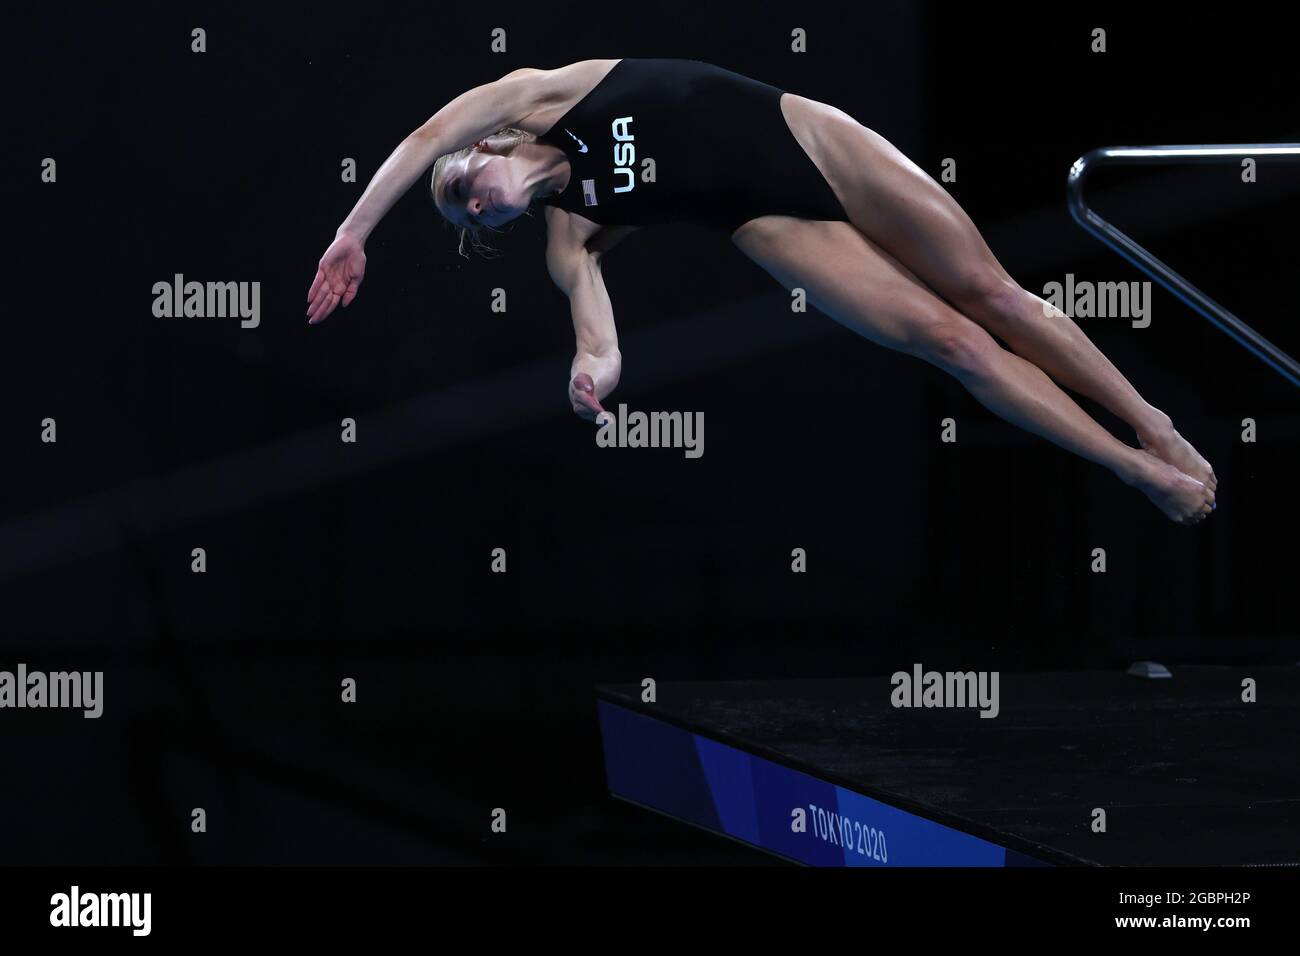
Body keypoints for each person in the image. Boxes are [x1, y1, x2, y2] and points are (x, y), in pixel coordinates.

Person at [307, 58, 1217, 524]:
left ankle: (1153, 422)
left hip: (807, 137)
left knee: (994, 294)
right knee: (955, 343)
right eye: (469, 219)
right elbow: (599, 339)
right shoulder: (569, 235)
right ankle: (1136, 470)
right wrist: (596, 374)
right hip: (770, 223)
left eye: (465, 182)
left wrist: (354, 232)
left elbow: (427, 133)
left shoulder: (543, 93)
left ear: (489, 145)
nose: (472, 201)